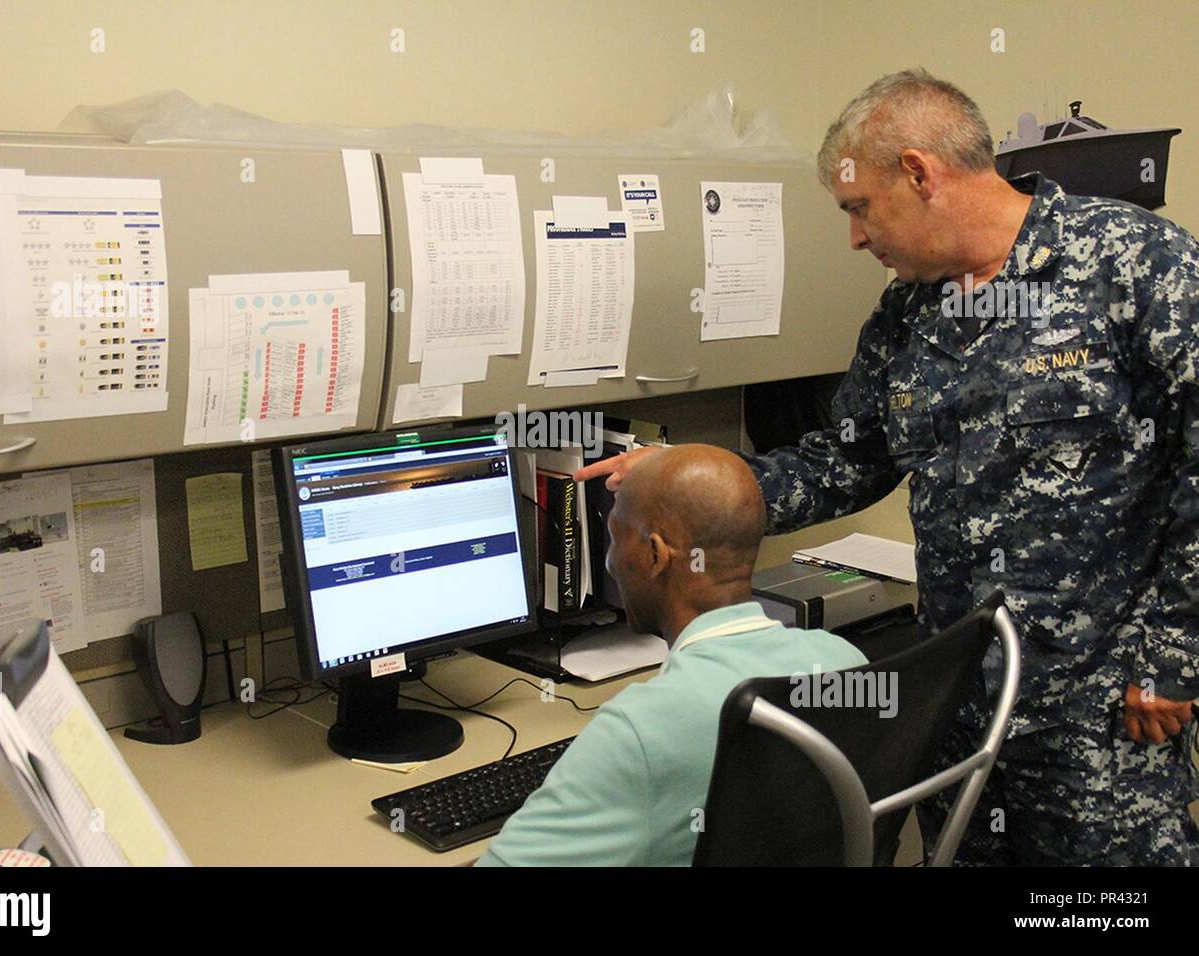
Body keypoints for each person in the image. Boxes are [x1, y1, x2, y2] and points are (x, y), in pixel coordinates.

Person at [577, 69, 1199, 865]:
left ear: (919, 172)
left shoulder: (1135, 264)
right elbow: (848, 458)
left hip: (1104, 708)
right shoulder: (910, 314)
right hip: (960, 700)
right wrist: (689, 478)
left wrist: (1173, 657)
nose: (856, 237)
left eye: (857, 208)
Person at [476, 444, 866, 866]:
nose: (609, 562)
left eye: (614, 538)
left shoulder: (638, 730)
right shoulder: (843, 664)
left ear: (656, 555)